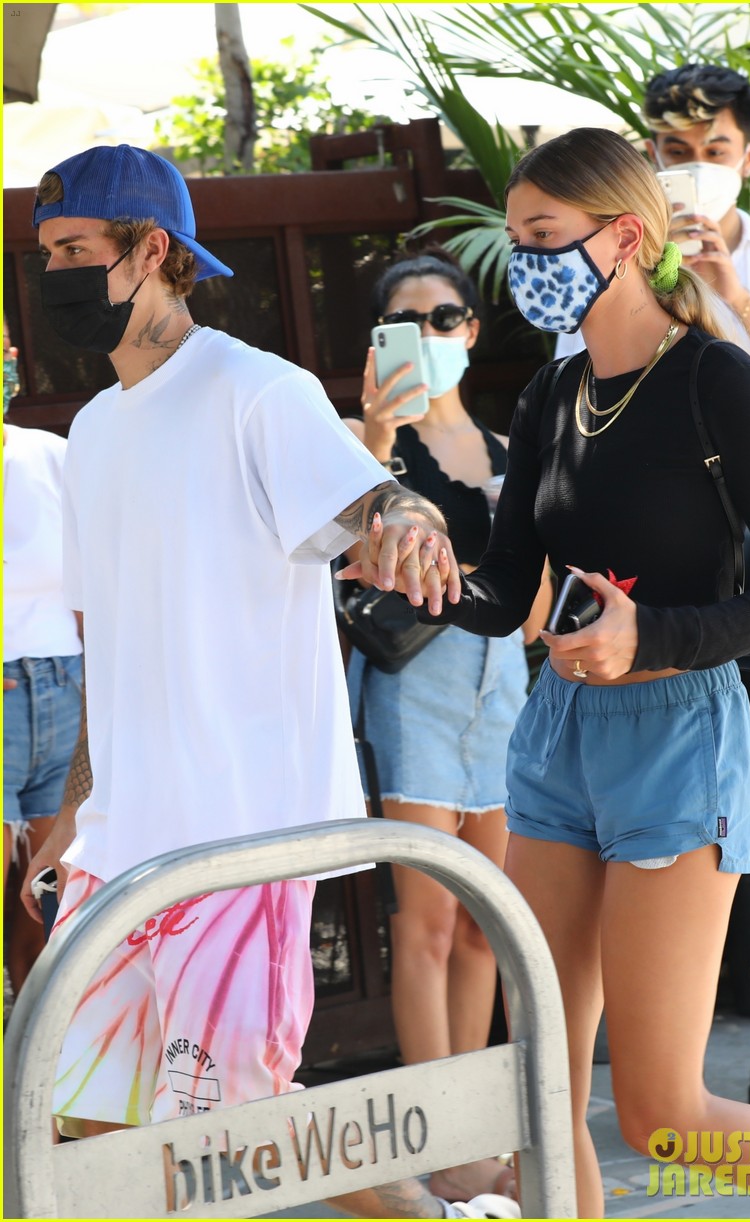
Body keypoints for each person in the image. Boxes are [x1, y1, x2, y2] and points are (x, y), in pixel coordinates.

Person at [20, 143, 517, 1222]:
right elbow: (107, 645)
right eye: (46, 251)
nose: (51, 271)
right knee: (90, 1118)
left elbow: (369, 501)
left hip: (244, 838)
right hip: (121, 845)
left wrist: (409, 522)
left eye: (73, 249)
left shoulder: (257, 390)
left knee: (233, 1129)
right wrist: (72, 812)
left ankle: (445, 1218)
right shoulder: (92, 431)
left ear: (150, 251)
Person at [361, 127, 750, 1216]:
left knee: (661, 1116)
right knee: (541, 1096)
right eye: (515, 240)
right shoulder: (551, 393)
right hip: (558, 737)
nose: (522, 263)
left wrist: (648, 638)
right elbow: (505, 588)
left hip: (677, 739)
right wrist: (416, 577)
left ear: (620, 237)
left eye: (541, 236)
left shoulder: (717, 382)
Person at [342, 249, 552, 1204]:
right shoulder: (366, 445)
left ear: (470, 328)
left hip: (502, 690)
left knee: (482, 925)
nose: (427, 334)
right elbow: (344, 547)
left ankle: (469, 1135)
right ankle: (437, 1144)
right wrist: (377, 429)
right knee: (424, 923)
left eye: (443, 317)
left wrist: (524, 536)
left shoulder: (510, 452)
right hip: (412, 690)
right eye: (405, 319)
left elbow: (534, 618)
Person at [641, 63, 750, 1124]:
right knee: (677, 798)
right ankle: (668, 1044)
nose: (693, 169)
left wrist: (731, 294)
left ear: (746, 156)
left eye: (712, 152)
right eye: (673, 151)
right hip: (668, 560)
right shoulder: (622, 259)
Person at [3, 316, 84, 999]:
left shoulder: (53, 456)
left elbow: (94, 590)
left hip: (67, 693)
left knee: (49, 916)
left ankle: (43, 1068)